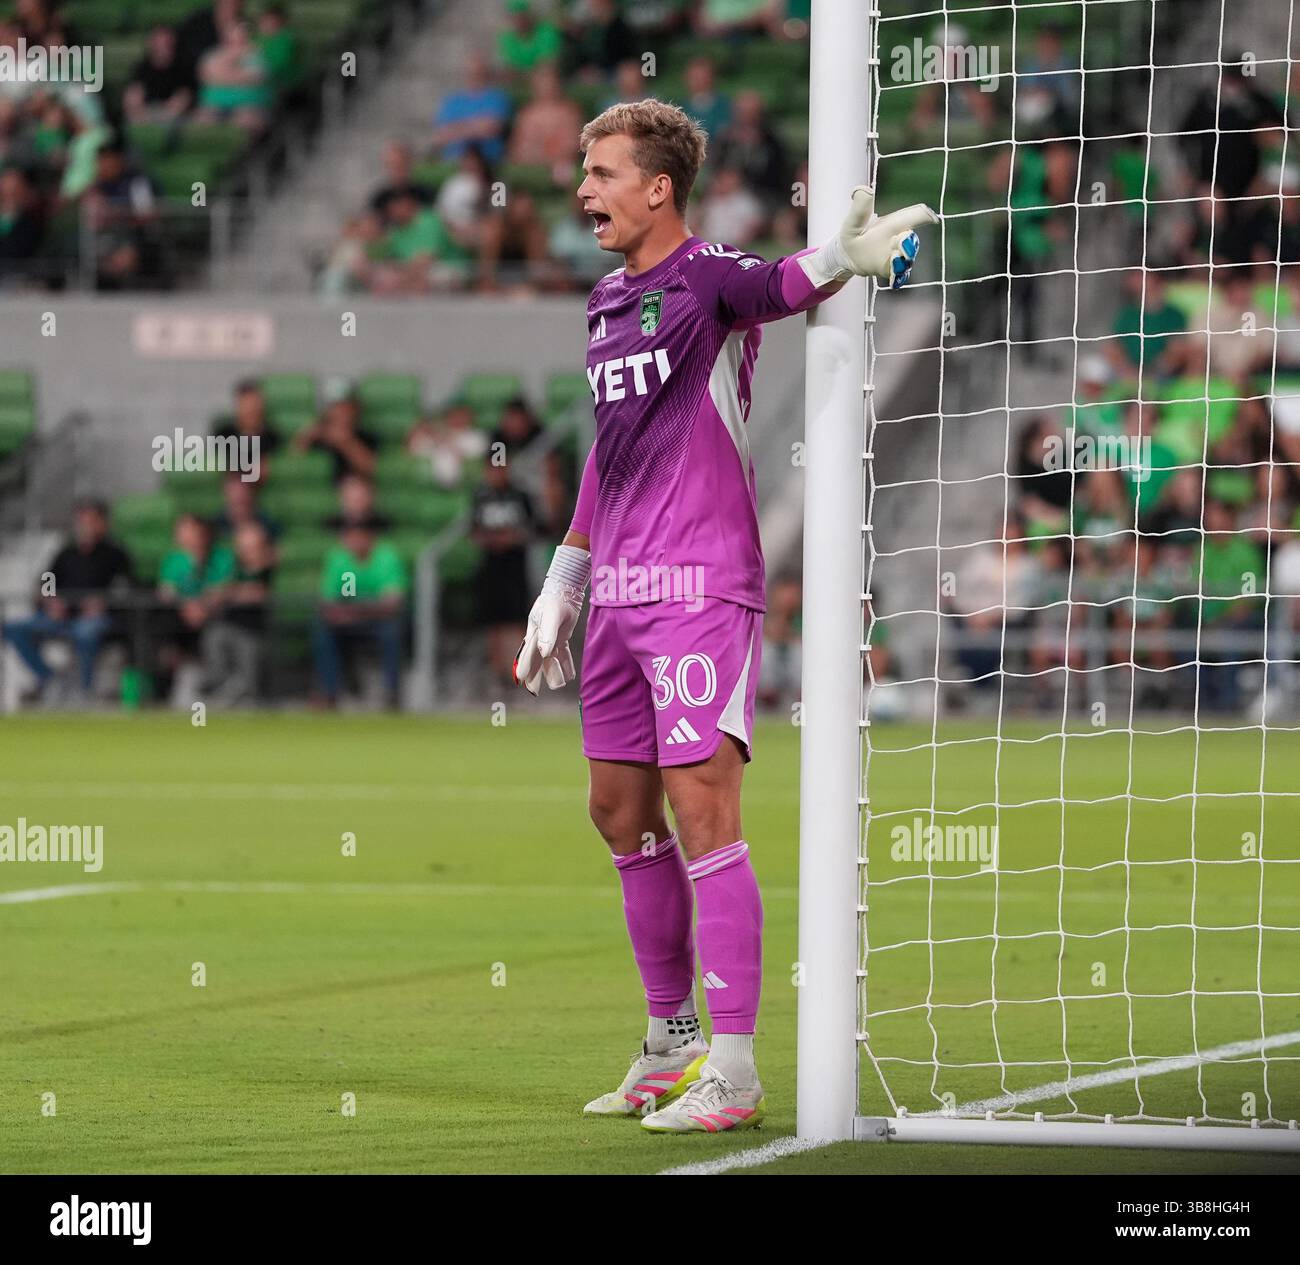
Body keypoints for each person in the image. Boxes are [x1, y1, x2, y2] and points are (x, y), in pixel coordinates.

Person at [513, 98, 934, 1132]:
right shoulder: (605, 300)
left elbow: (780, 285)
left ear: (658, 186)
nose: (583, 188)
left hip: (699, 584)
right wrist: (563, 578)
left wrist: (838, 252)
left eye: (602, 171)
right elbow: (609, 458)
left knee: (703, 808)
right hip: (614, 591)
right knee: (617, 810)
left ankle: (735, 1069)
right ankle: (668, 1041)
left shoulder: (706, 276)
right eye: (584, 168)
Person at [2, 499, 130, 703]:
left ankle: (84, 690)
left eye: (91, 521)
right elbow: (46, 579)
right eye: (81, 521)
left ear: (103, 523)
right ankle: (49, 678)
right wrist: (51, 600)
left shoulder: (115, 554)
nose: (85, 526)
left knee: (86, 633)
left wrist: (102, 603)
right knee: (13, 629)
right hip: (60, 617)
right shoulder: (66, 553)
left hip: (96, 619)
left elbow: (124, 587)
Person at [312, 516, 407, 709]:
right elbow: (327, 601)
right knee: (323, 630)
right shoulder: (337, 558)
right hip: (349, 621)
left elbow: (393, 603)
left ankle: (392, 693)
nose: (355, 541)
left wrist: (356, 611)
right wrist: (352, 612)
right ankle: (330, 693)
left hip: (379, 621)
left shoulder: (386, 556)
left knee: (392, 632)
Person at [470, 457, 537, 688]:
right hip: (491, 568)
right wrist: (495, 539)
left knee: (518, 620)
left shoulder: (520, 496)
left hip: (515, 568)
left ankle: (520, 670)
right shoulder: (480, 496)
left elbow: (534, 528)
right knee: (494, 622)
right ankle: (499, 675)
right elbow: (474, 531)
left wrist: (511, 538)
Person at [201, 519, 274, 706]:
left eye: (251, 547)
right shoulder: (231, 568)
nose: (246, 552)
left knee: (248, 648)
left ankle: (247, 693)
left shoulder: (267, 569)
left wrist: (231, 592)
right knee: (215, 637)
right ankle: (221, 689)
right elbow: (213, 593)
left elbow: (259, 594)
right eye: (242, 547)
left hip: (255, 630)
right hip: (228, 625)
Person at [124, 26, 197, 125]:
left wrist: (166, 113)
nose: (163, 47)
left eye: (166, 43)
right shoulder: (142, 68)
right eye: (159, 43)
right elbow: (133, 95)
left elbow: (183, 98)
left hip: (174, 115)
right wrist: (138, 111)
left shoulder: (184, 68)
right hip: (147, 112)